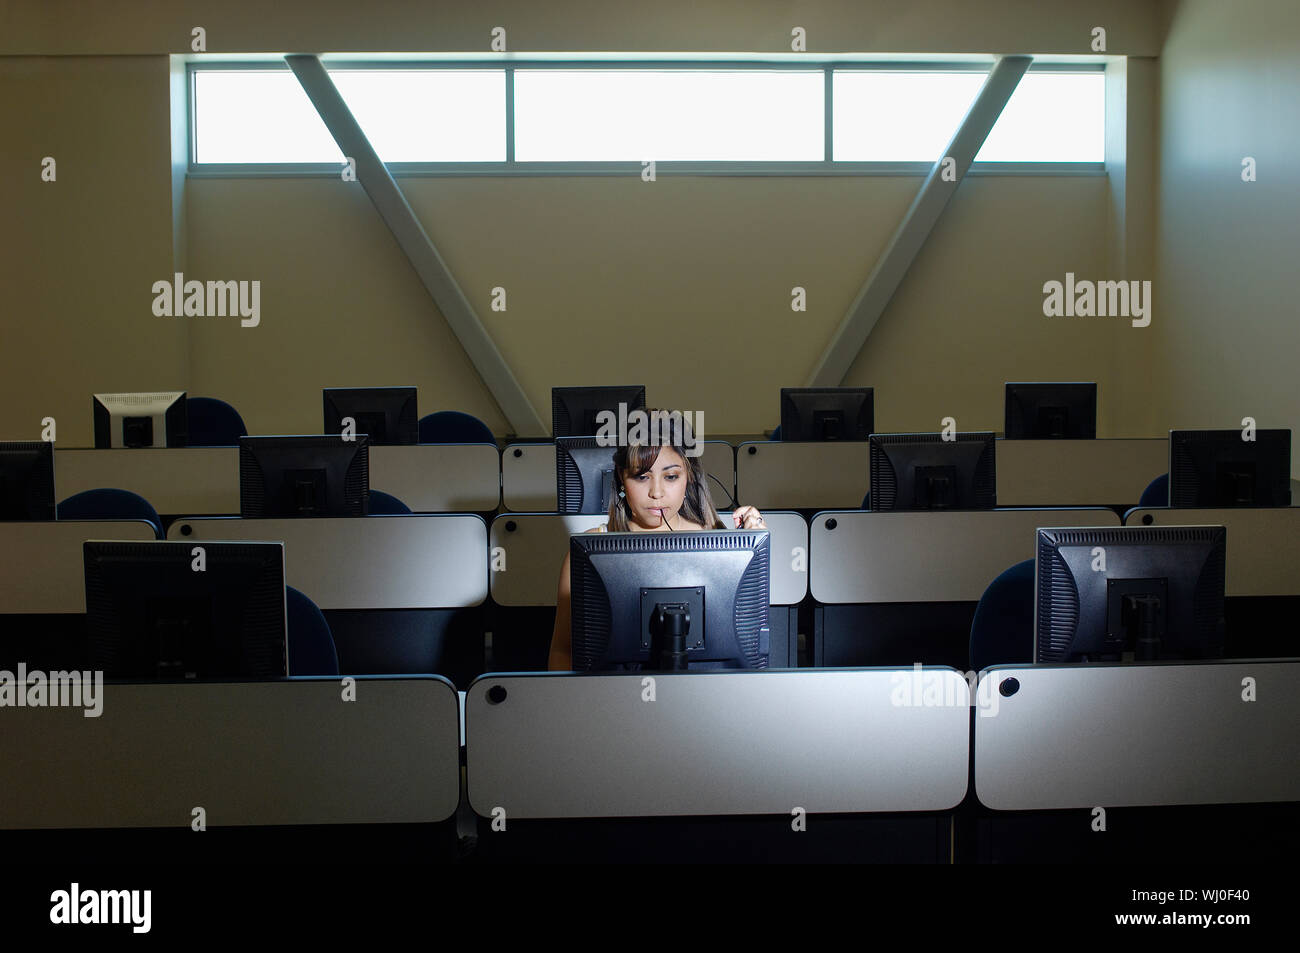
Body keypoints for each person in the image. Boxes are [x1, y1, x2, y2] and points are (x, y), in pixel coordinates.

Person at [548, 422, 765, 671]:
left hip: (707, 700)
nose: (657, 492)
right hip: (614, 701)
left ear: (689, 475)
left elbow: (749, 647)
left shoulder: (723, 546)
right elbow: (562, 651)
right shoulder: (588, 551)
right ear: (621, 477)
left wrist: (754, 548)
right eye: (642, 476)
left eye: (671, 476)